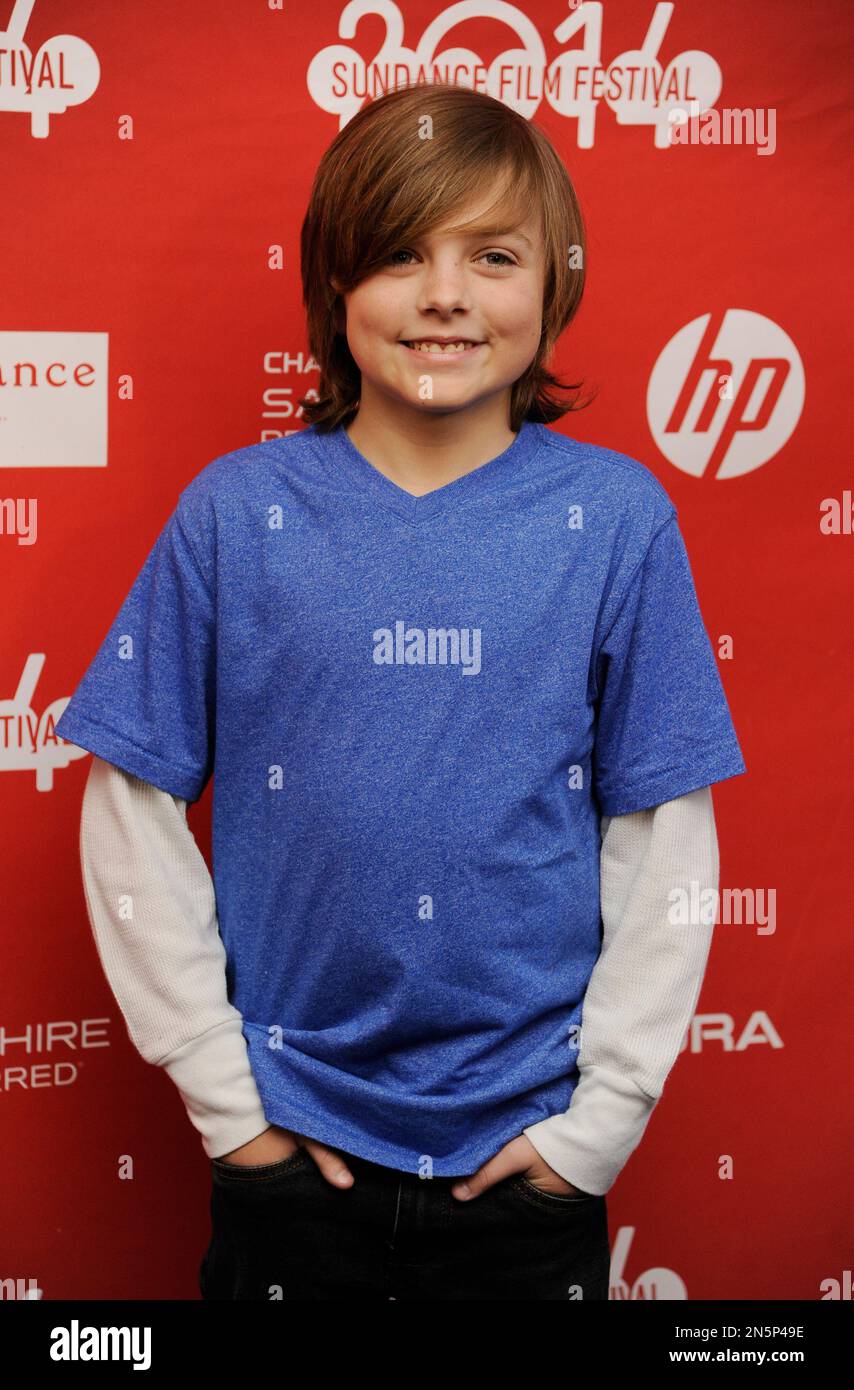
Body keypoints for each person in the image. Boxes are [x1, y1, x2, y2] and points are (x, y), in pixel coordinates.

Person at [56, 82, 746, 1300]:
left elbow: (663, 833)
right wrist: (232, 1110)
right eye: (396, 256)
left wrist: (590, 1136)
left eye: (491, 256)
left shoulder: (616, 522)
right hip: (289, 1162)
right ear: (332, 286)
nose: (443, 296)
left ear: (552, 285)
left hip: (524, 1169)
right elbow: (128, 807)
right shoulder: (234, 514)